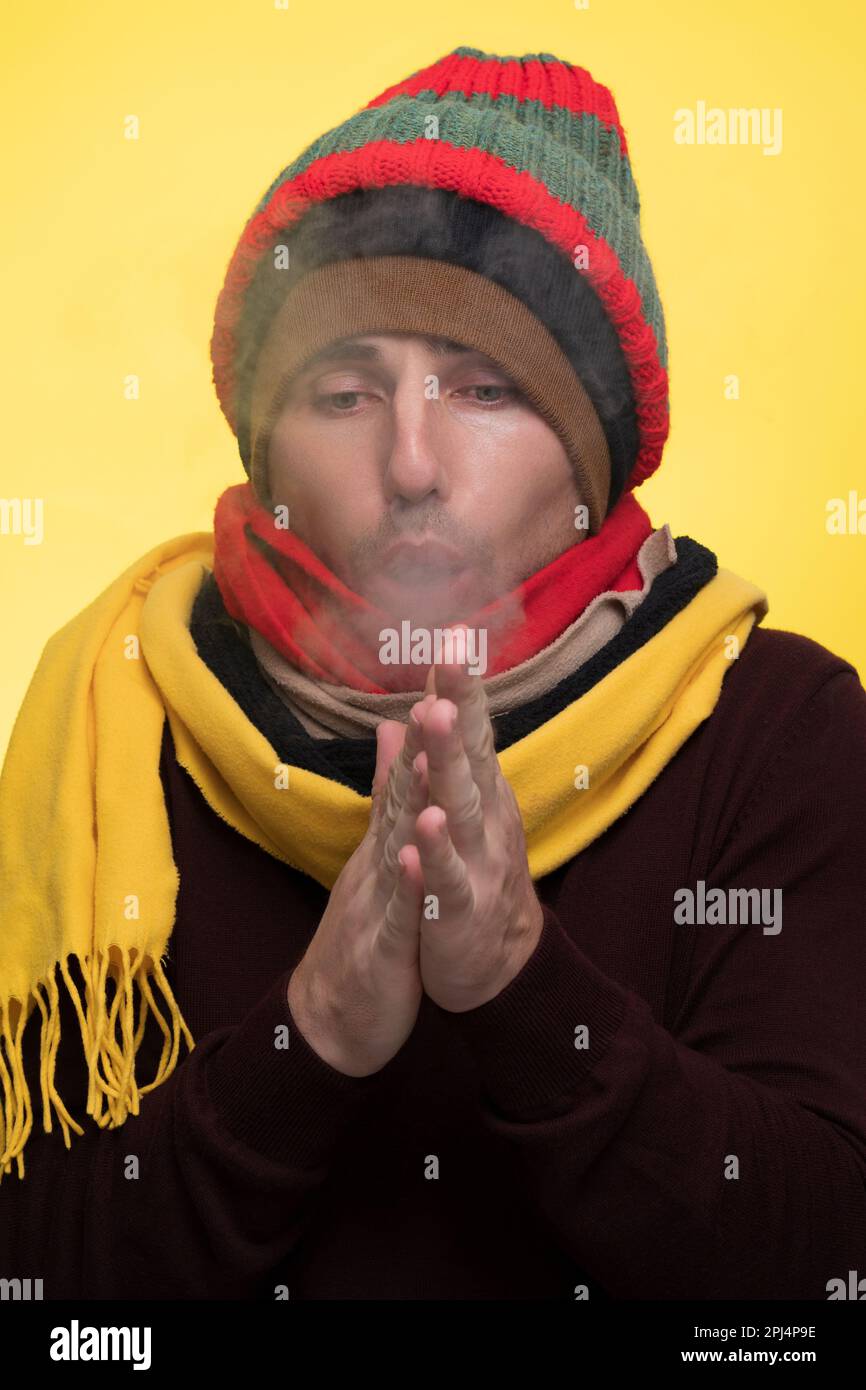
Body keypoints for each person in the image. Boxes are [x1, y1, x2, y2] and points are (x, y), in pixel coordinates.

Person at [1, 44, 864, 1302]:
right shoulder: (116, 715)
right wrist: (314, 1037)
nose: (411, 462)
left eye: (485, 387)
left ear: (589, 463)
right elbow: (41, 1303)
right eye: (344, 395)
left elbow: (822, 1279)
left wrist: (521, 975)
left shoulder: (772, 724)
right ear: (265, 454)